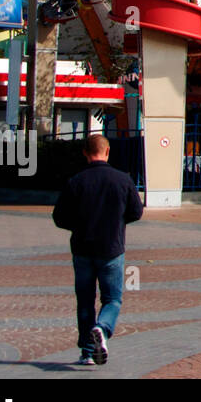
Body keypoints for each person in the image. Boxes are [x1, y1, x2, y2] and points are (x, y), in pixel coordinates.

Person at [52, 134, 144, 366]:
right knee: (112, 299)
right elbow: (136, 212)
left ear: (85, 153)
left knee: (84, 301)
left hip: (82, 248)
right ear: (107, 151)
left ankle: (87, 351)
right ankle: (102, 328)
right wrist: (117, 222)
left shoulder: (77, 181)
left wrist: (79, 225)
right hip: (112, 248)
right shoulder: (123, 180)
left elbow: (59, 217)